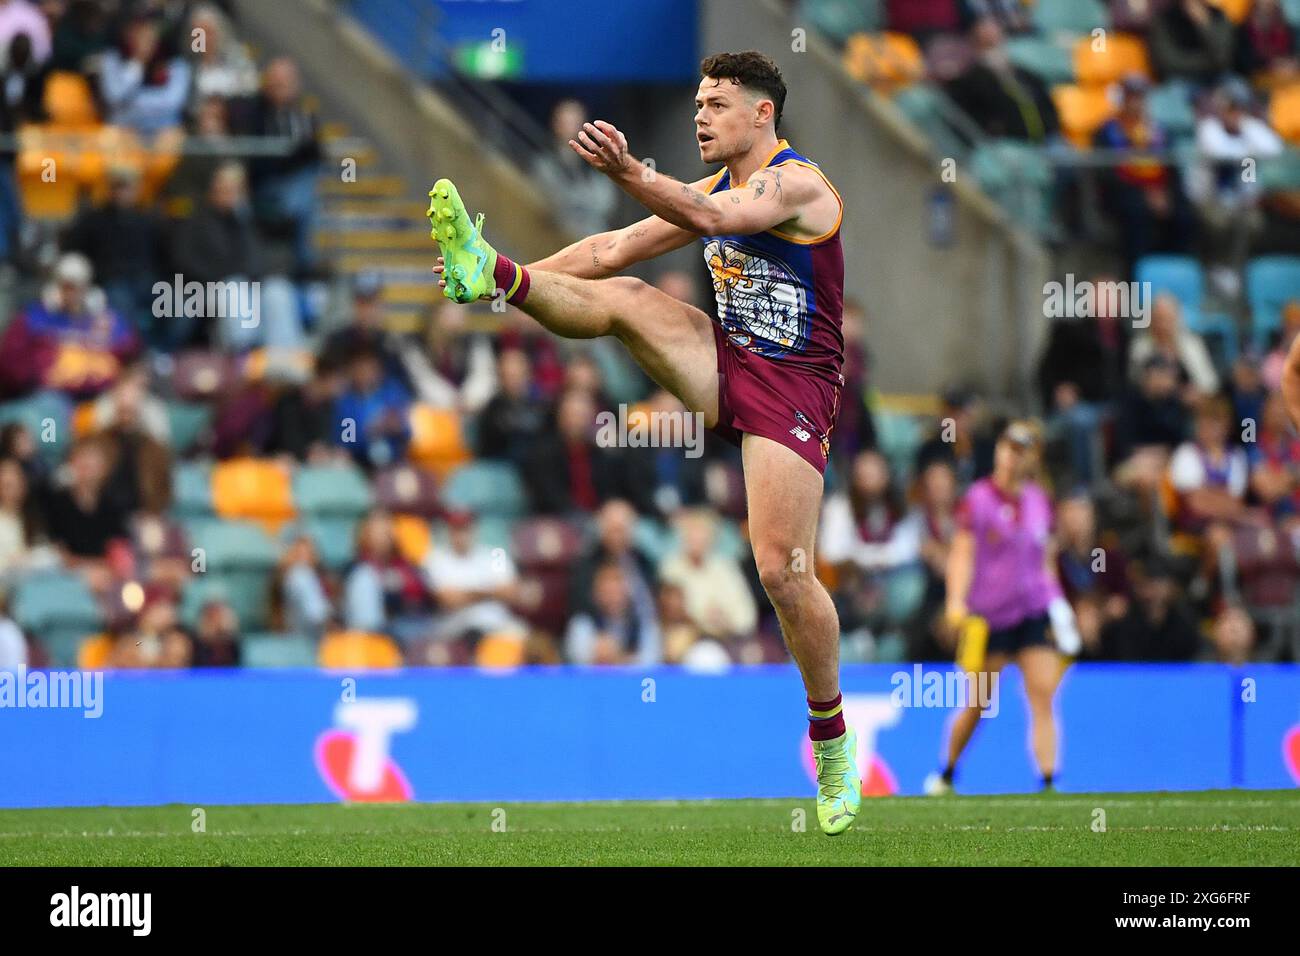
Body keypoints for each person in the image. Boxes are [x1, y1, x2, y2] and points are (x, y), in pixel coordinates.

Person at [428, 51, 860, 833]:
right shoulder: (710, 186)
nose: (700, 115)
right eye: (696, 101)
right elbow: (606, 252)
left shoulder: (795, 184)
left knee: (781, 571)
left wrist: (627, 170)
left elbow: (717, 222)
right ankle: (483, 262)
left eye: (717, 103)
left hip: (795, 389)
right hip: (727, 363)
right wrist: (494, 276)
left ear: (762, 114)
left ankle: (830, 741)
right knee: (625, 293)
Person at [930, 421, 1073, 794]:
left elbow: (1046, 560)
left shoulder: (1039, 501)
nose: (1012, 456)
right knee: (978, 705)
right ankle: (947, 771)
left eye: (1021, 450)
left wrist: (1058, 605)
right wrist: (956, 602)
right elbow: (963, 553)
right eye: (1008, 447)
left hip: (1032, 610)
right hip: (988, 616)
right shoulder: (979, 499)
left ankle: (1047, 779)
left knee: (1042, 693)